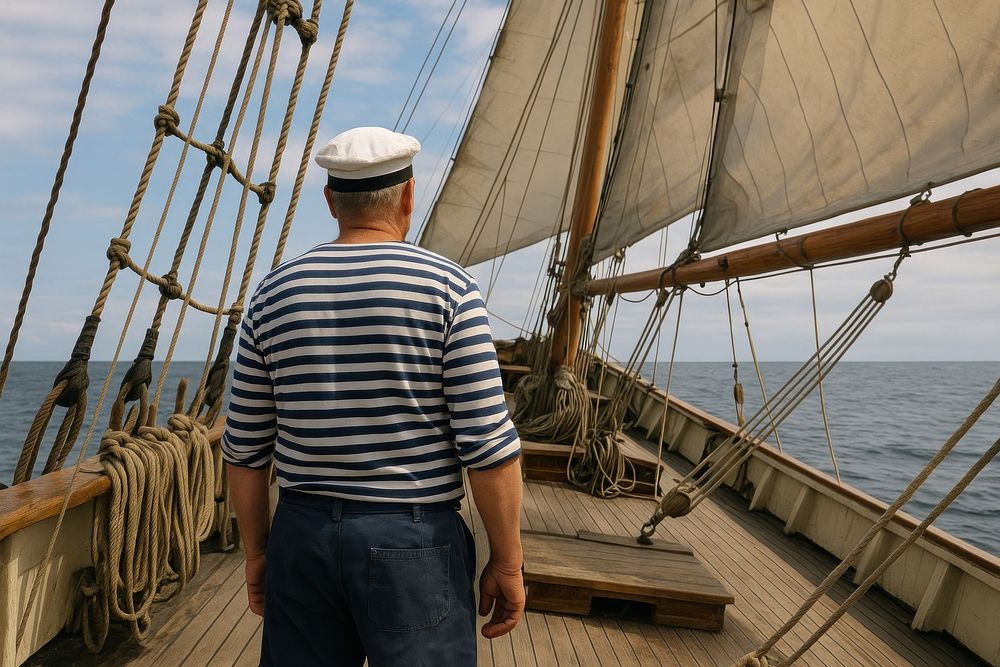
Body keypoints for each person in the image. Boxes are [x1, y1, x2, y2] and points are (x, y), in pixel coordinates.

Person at [221, 126, 525, 666]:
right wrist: (508, 561)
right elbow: (488, 449)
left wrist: (259, 552)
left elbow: (244, 449)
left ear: (330, 200)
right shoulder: (450, 290)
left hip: (303, 536)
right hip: (416, 544)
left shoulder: (272, 293)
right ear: (408, 195)